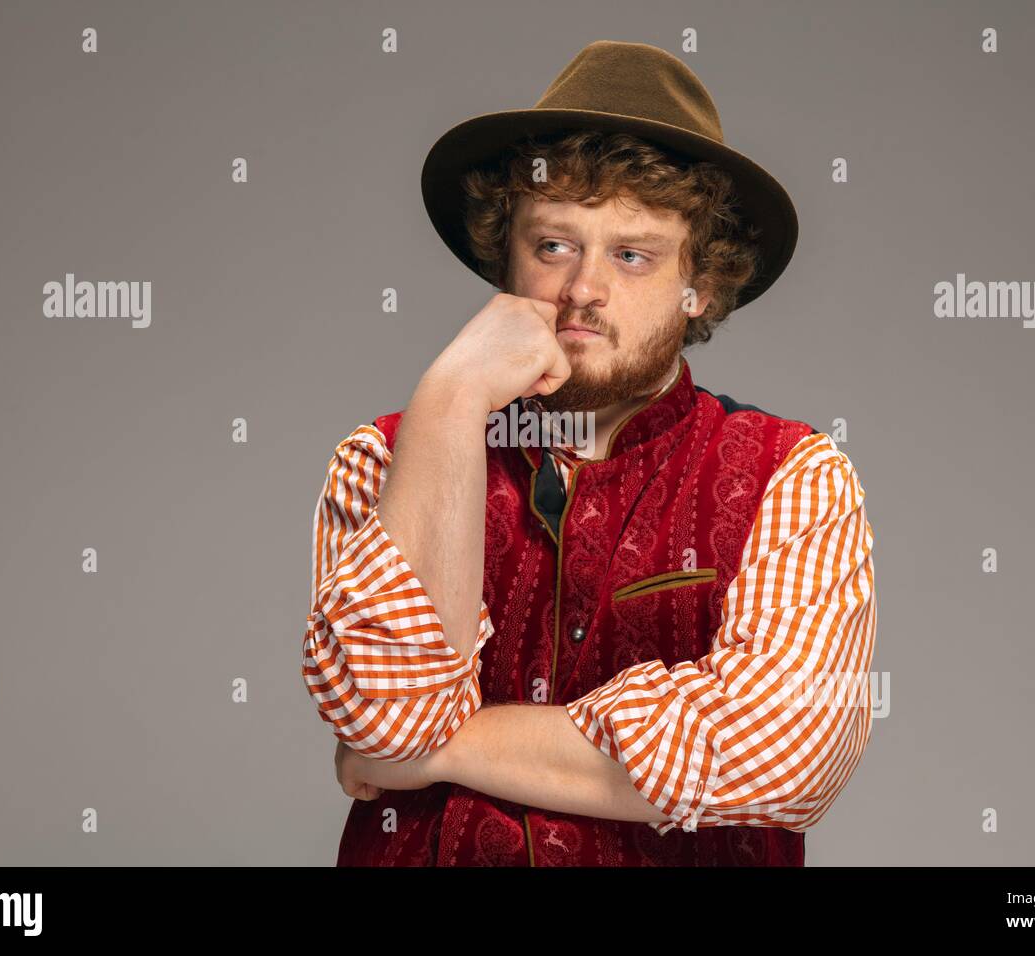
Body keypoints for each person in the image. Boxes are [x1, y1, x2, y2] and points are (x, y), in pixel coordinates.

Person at [302, 40, 876, 866]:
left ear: (700, 285)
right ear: (504, 260)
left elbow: (783, 753)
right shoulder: (384, 457)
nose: (582, 290)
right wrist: (453, 397)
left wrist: (436, 753)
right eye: (553, 246)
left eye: (631, 255)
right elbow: (389, 715)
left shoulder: (795, 474)